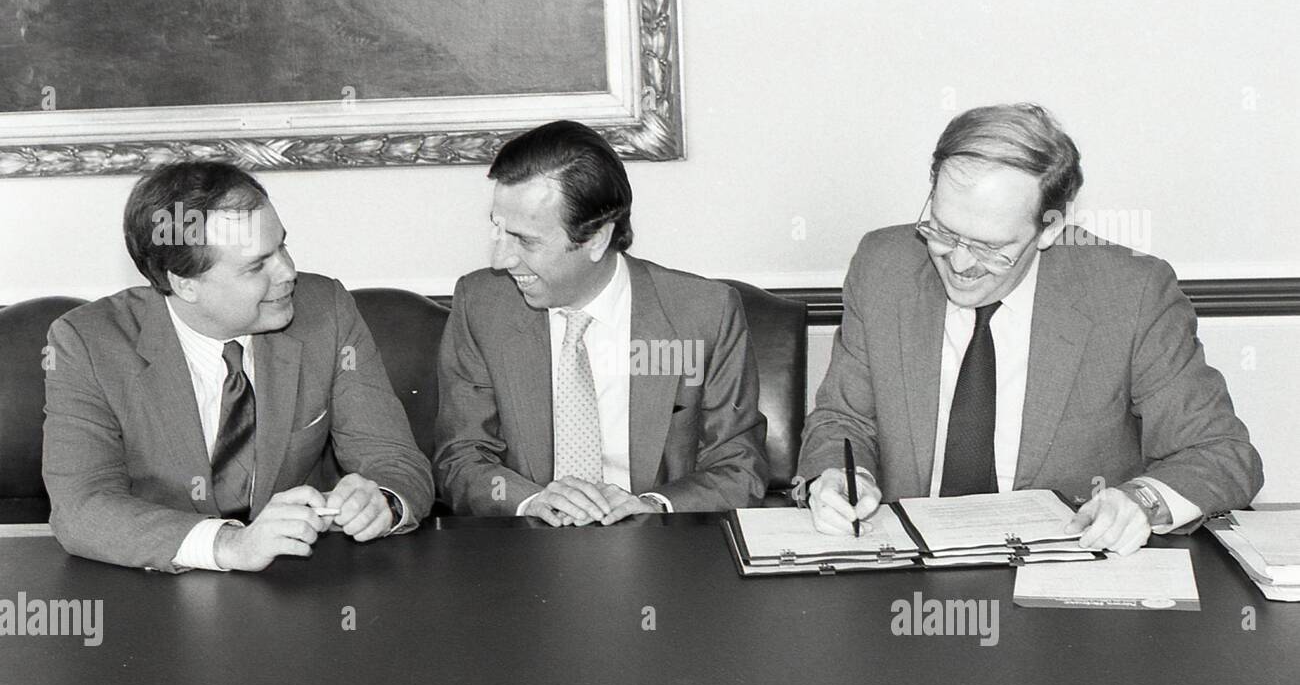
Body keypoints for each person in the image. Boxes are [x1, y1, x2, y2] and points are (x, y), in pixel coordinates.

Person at [800, 103, 1263, 554]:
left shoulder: (1131, 293)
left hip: (1069, 573)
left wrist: (1141, 501)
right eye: (943, 231)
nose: (958, 263)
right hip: (906, 570)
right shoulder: (883, 266)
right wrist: (840, 477)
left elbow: (1220, 452)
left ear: (1050, 229)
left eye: (990, 247)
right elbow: (843, 420)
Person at [43, 162, 434, 572]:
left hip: (300, 580)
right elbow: (81, 508)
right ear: (184, 284)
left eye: (282, 246)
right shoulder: (88, 343)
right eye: (256, 266)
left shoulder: (325, 310)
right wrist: (231, 544)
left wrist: (383, 501)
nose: (288, 272)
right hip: (156, 584)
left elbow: (395, 459)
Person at [435, 120, 768, 524]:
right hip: (527, 545)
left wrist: (654, 506)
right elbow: (460, 458)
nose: (500, 259)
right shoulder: (482, 305)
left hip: (659, 544)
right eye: (499, 230)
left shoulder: (703, 313)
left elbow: (739, 467)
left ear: (596, 239)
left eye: (526, 240)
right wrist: (527, 501)